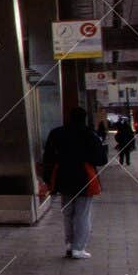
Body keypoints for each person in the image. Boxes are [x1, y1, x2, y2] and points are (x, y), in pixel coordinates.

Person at [42, 106, 108, 259]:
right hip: (84, 177)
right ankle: (79, 248)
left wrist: (48, 179)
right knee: (82, 214)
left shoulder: (56, 133)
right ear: (84, 118)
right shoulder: (89, 135)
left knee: (67, 213)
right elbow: (101, 159)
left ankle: (70, 245)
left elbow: (48, 157)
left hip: (63, 178)